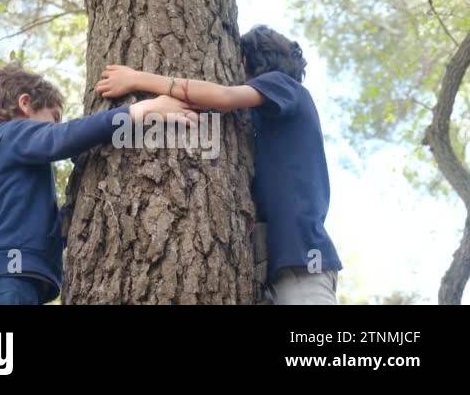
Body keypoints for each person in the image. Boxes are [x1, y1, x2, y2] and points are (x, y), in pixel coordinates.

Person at [96, 25, 342, 305]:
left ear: (249, 60)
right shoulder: (267, 119)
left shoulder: (284, 85)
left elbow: (223, 97)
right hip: (272, 265)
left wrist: (138, 78)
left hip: (304, 259)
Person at [0, 63, 195, 304]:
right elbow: (62, 139)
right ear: (25, 104)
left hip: (2, 279)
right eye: (55, 117)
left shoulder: (3, 176)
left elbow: (36, 231)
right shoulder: (11, 134)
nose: (57, 126)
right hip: (6, 278)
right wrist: (141, 110)